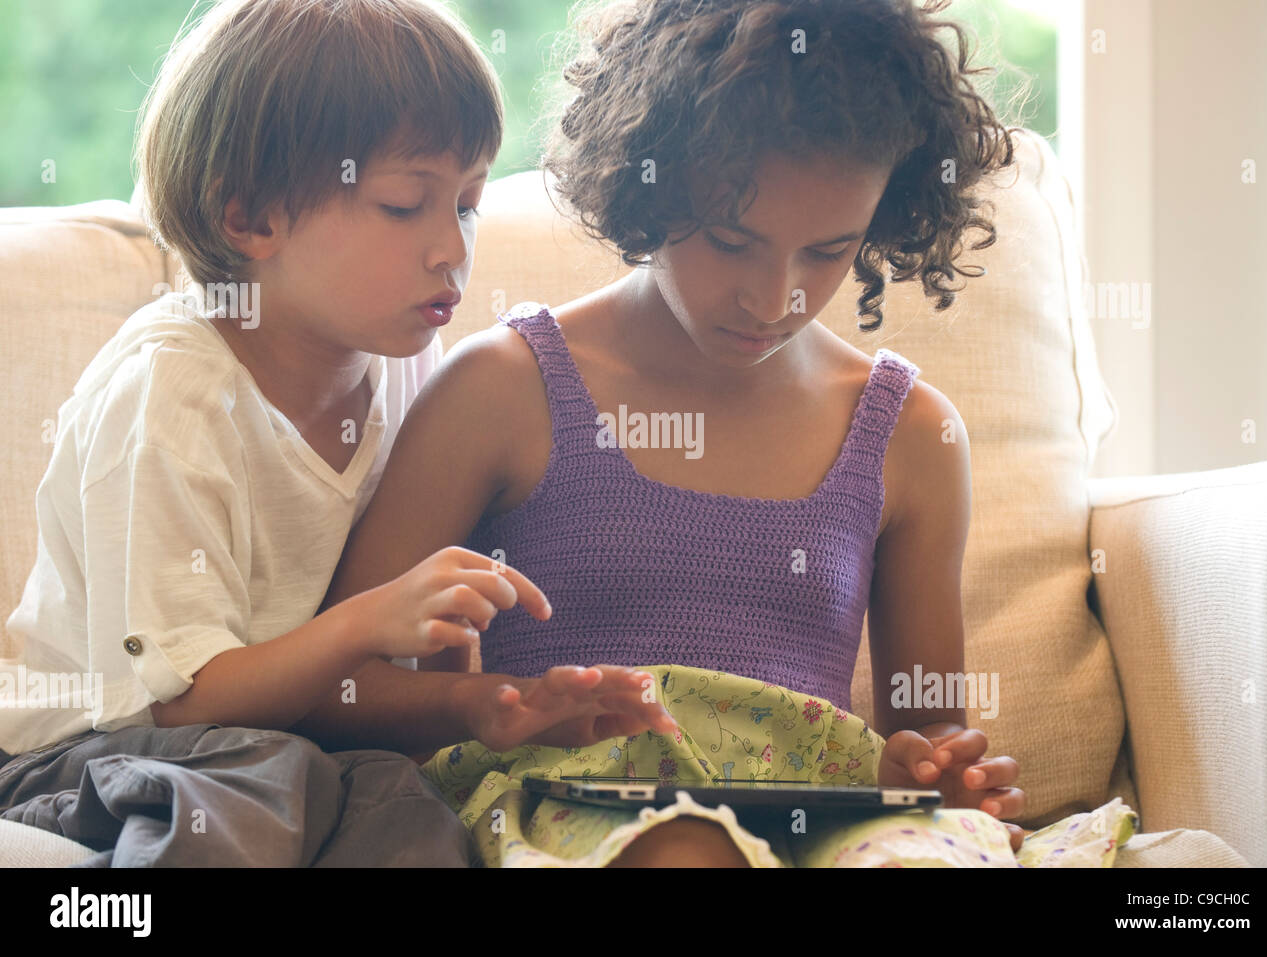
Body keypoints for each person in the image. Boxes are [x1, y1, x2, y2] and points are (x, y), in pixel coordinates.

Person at [321, 0, 1138, 866]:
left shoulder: (911, 434)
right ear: (651, 184)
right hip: (576, 809)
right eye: (730, 240)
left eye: (827, 251)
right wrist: (497, 702)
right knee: (686, 852)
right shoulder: (503, 389)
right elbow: (335, 687)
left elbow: (927, 734)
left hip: (822, 821)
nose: (774, 296)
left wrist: (935, 775)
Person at [0, 0, 673, 868]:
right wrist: (368, 621)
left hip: (286, 749)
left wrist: (478, 702)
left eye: (467, 205)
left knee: (415, 815)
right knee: (258, 791)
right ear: (250, 220)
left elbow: (353, 698)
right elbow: (182, 704)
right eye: (404, 206)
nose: (450, 251)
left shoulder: (397, 364)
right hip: (92, 752)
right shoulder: (172, 394)